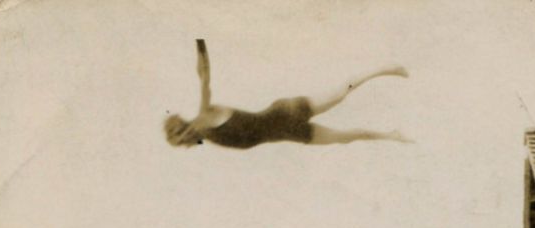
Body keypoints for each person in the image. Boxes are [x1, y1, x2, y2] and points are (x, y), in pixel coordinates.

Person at [164, 40, 412, 150]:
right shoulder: (210, 135)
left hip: (285, 112)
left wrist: (199, 41)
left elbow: (205, 77)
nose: (187, 147)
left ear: (183, 134)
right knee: (344, 138)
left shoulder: (205, 117)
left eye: (182, 143)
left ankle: (384, 69)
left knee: (339, 95)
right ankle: (391, 135)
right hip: (292, 133)